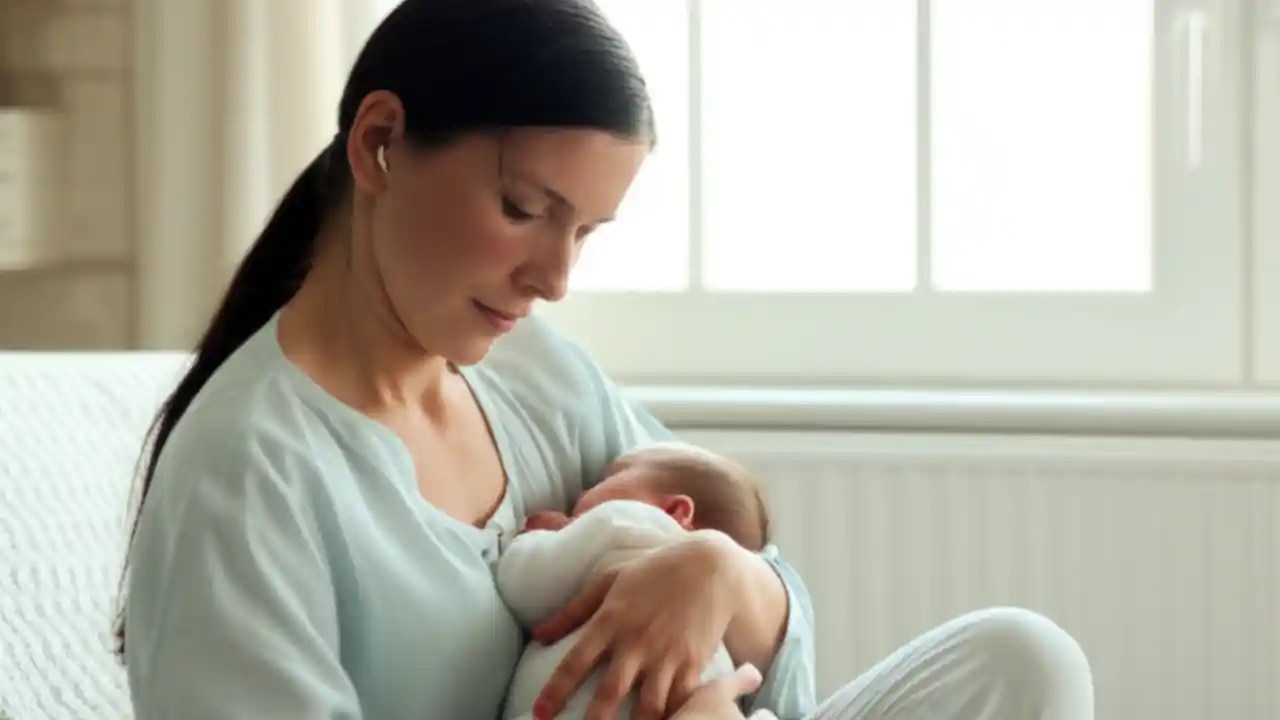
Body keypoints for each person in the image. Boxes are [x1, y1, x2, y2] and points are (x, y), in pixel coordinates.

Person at [119, 1, 1095, 718]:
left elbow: (782, 669)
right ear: (379, 144)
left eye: (583, 232)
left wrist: (714, 569)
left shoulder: (535, 372)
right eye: (523, 210)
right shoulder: (247, 475)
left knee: (1022, 660)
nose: (552, 277)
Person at [497, 442, 774, 720]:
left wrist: (538, 538)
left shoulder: (623, 524)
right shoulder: (711, 619)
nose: (581, 493)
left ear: (674, 510)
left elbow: (523, 587)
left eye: (608, 480)